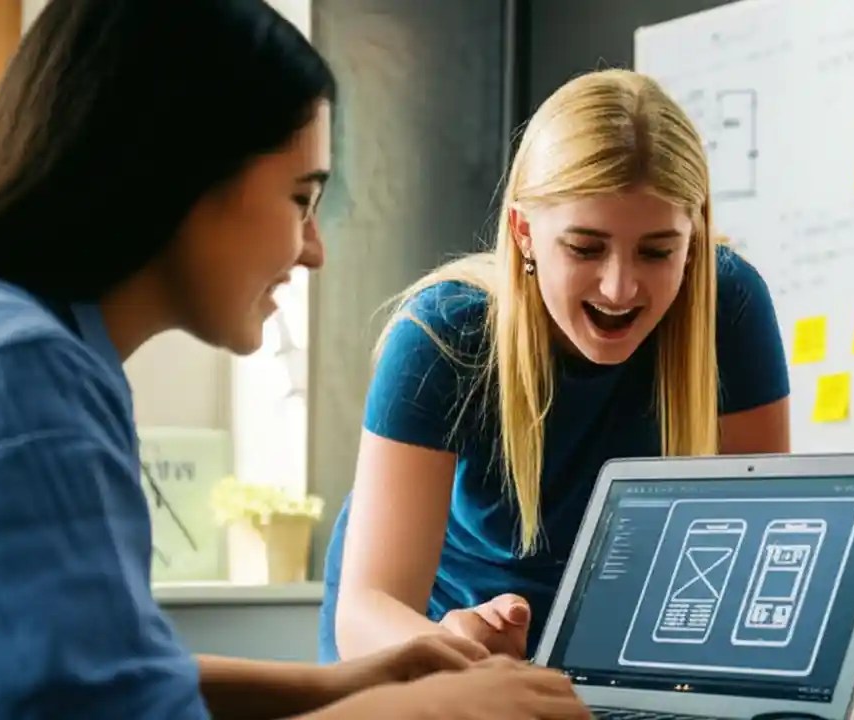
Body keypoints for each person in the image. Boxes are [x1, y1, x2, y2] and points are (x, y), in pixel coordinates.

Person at [0, 1, 587, 718]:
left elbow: (111, 678)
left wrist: (352, 683)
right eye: (300, 198)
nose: (314, 248)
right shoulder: (30, 381)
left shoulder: (51, 358)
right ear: (180, 170)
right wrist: (443, 710)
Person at [320, 68, 791, 664]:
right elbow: (367, 610)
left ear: (693, 241)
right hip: (432, 638)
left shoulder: (732, 307)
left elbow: (759, 547)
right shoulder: (442, 336)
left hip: (612, 646)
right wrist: (459, 653)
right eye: (585, 248)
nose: (620, 288)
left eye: (657, 251)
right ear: (523, 233)